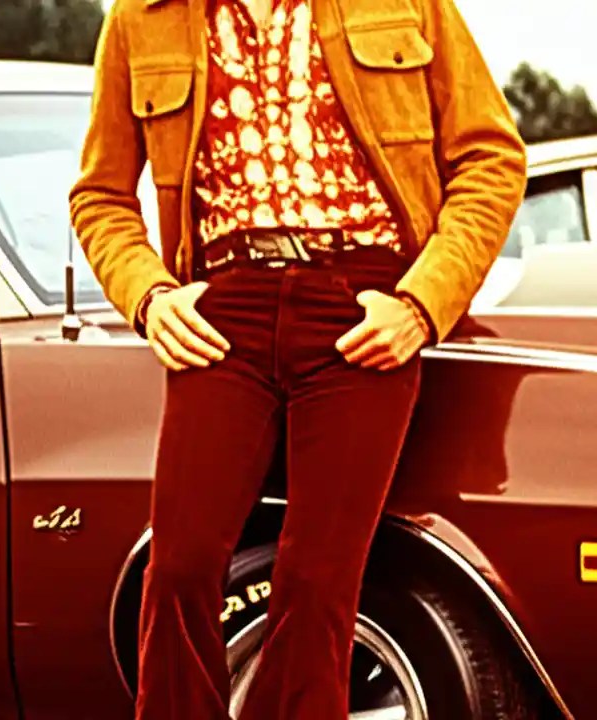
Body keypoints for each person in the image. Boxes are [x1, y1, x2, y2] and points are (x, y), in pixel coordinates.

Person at [68, 0, 526, 716]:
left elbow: (492, 160)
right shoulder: (142, 16)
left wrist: (420, 305)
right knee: (181, 569)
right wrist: (150, 296)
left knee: (319, 579)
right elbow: (100, 195)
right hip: (223, 312)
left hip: (363, 309)